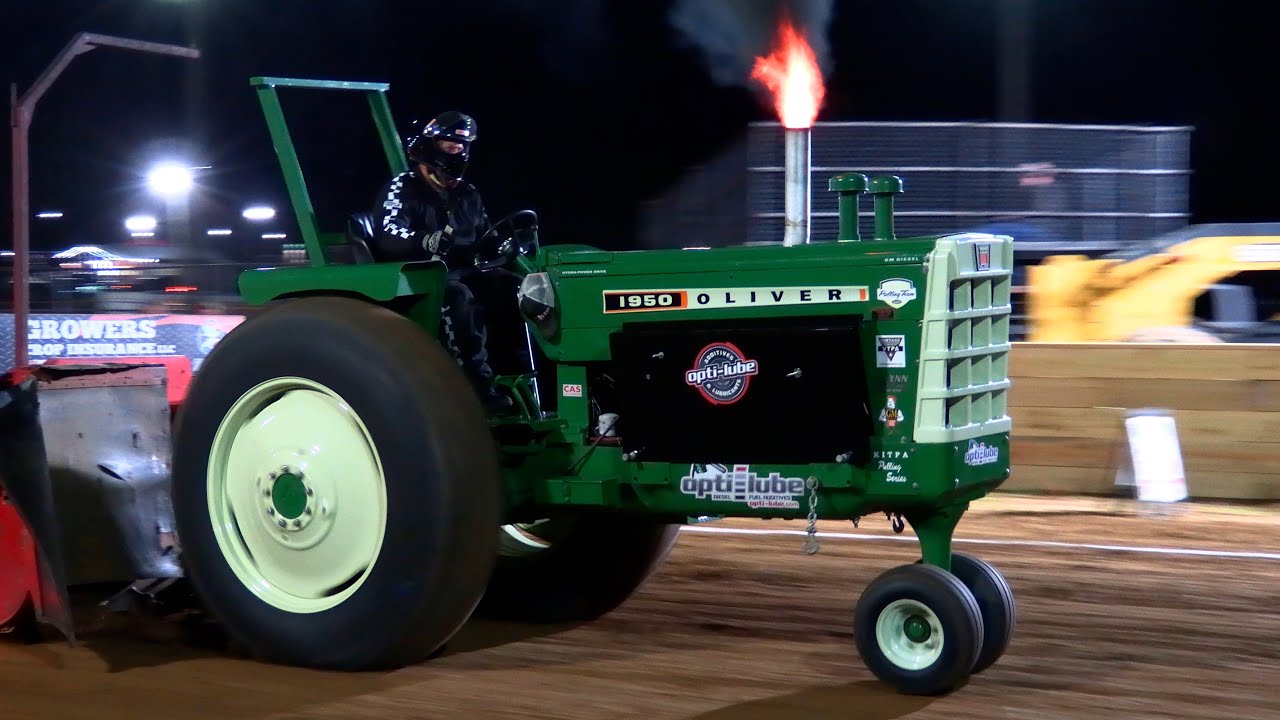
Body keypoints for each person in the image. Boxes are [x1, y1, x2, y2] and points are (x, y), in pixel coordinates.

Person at [371, 111, 513, 412]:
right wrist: (424, 240)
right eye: (450, 146)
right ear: (430, 146)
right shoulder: (403, 187)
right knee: (456, 296)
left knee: (520, 289)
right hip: (417, 277)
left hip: (464, 270)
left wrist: (502, 245)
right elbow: (389, 232)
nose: (457, 152)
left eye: (461, 147)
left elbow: (484, 234)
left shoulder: (468, 193)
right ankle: (475, 391)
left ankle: (524, 379)